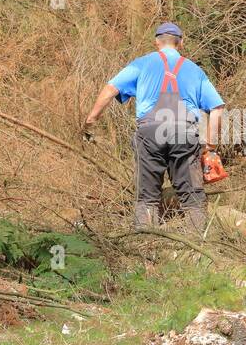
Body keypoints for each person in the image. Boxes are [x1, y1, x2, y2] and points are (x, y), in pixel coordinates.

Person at [85, 22, 224, 230]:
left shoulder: (141, 64)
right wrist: (211, 147)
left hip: (150, 132)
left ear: (156, 42)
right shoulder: (195, 71)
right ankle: (198, 247)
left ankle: (147, 244)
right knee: (192, 195)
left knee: (147, 196)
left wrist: (92, 119)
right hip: (184, 132)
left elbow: (110, 89)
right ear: (181, 43)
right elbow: (217, 108)